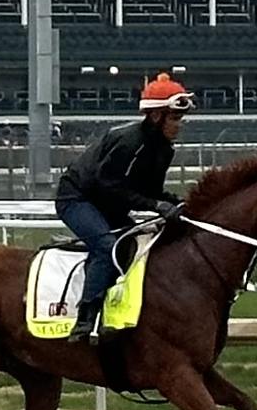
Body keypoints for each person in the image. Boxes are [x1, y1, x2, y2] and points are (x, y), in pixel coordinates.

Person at [52, 74, 192, 340]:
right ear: (155, 117)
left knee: (132, 246)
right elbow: (109, 186)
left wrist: (177, 202)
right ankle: (84, 321)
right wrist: (156, 205)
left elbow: (149, 191)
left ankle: (117, 312)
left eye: (179, 119)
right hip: (77, 198)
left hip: (105, 200)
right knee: (107, 247)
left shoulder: (164, 149)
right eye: (174, 118)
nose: (179, 125)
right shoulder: (129, 141)